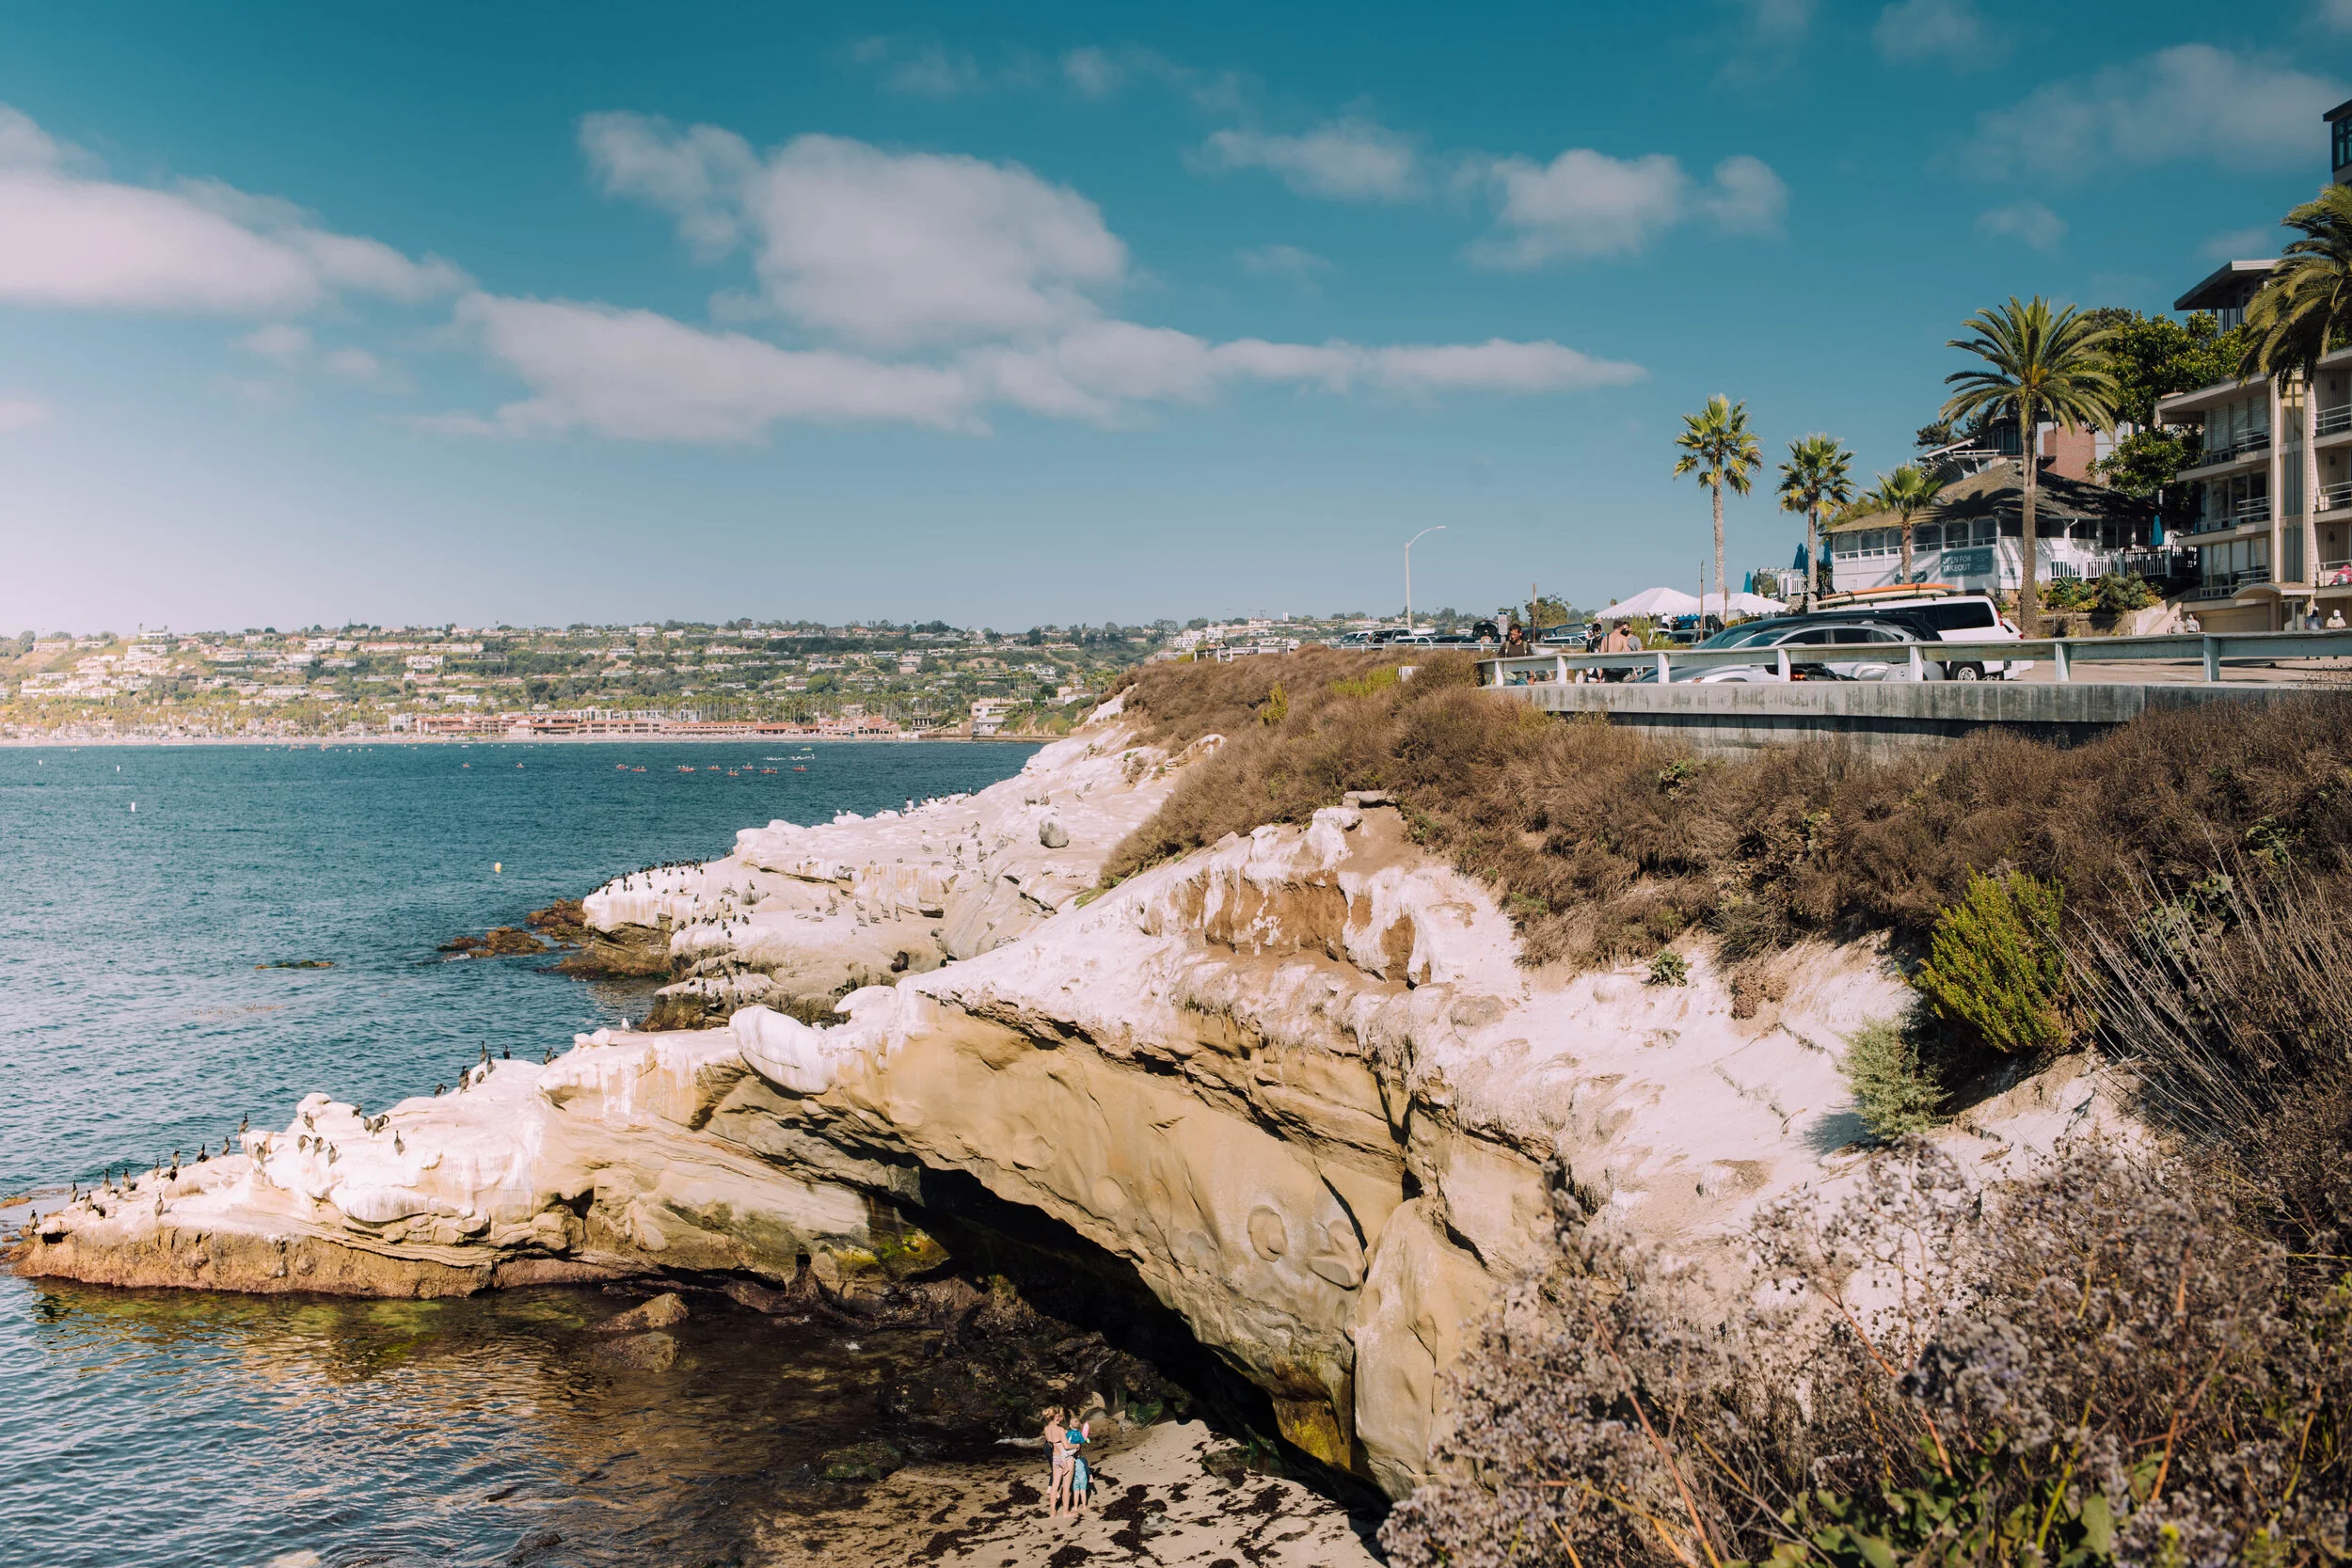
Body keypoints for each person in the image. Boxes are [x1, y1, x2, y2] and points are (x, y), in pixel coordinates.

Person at [1042, 1405, 1075, 1517]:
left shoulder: (1046, 1429)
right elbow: (1066, 1445)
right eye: (1058, 1416)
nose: (1059, 1418)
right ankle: (1065, 1513)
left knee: (1055, 1485)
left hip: (1055, 1458)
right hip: (1065, 1458)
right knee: (1066, 1486)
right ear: (1056, 1417)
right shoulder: (1060, 1429)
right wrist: (1077, 1445)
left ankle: (1052, 1512)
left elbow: (1053, 1442)